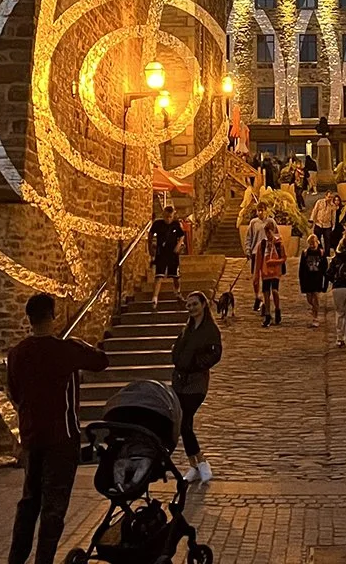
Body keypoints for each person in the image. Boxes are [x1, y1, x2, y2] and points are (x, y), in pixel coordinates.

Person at [6, 293, 109, 564]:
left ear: (29, 319)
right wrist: (79, 345)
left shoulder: (17, 354)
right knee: (54, 505)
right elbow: (101, 360)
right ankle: (44, 560)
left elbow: (15, 394)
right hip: (61, 439)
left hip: (31, 437)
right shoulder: (65, 350)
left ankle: (16, 559)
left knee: (29, 501)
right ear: (52, 316)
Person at [171, 291, 223, 486]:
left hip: (196, 382)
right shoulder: (187, 329)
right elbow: (177, 349)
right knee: (184, 425)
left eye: (194, 304)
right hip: (180, 380)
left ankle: (201, 461)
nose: (191, 308)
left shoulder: (210, 330)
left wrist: (197, 363)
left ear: (203, 305)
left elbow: (215, 353)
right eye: (189, 305)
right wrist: (177, 359)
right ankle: (194, 466)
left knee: (185, 422)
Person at [148, 204, 186, 310]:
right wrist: (150, 248)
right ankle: (155, 297)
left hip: (172, 253)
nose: (168, 219)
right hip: (161, 252)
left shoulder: (176, 224)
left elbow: (182, 235)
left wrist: (178, 246)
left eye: (170, 217)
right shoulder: (157, 224)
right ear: (163, 215)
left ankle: (177, 292)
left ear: (173, 216)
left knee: (175, 276)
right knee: (159, 275)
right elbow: (150, 235)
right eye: (166, 217)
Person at [255, 219, 287, 327]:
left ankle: (277, 309)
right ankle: (268, 315)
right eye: (266, 233)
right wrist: (256, 275)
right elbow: (258, 260)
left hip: (275, 272)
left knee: (274, 291)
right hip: (265, 273)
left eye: (269, 232)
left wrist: (274, 261)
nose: (268, 235)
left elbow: (283, 258)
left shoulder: (279, 244)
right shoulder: (262, 245)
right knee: (266, 293)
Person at [299, 233, 329, 327]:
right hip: (308, 279)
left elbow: (325, 269)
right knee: (309, 299)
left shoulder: (321, 253)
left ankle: (315, 317)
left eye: (314, 243)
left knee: (315, 297)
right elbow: (301, 269)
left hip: (317, 279)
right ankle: (314, 309)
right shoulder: (305, 253)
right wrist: (302, 283)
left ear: (317, 242)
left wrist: (325, 283)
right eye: (310, 243)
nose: (312, 245)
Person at [244, 204, 268, 312]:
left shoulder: (270, 222)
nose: (260, 213)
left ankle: (264, 299)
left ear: (266, 211)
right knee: (255, 278)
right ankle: (257, 296)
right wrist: (248, 249)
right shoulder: (253, 223)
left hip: (267, 252)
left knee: (265, 277)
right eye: (258, 211)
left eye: (262, 211)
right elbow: (249, 237)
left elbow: (277, 235)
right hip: (255, 252)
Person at [309, 192, 338, 256]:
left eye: (331, 197)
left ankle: (327, 254)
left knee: (327, 240)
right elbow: (315, 211)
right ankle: (319, 251)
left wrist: (333, 225)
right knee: (317, 239)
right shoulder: (319, 202)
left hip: (327, 225)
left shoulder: (333, 206)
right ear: (325, 196)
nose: (329, 198)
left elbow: (333, 216)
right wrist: (311, 220)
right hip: (318, 223)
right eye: (329, 197)